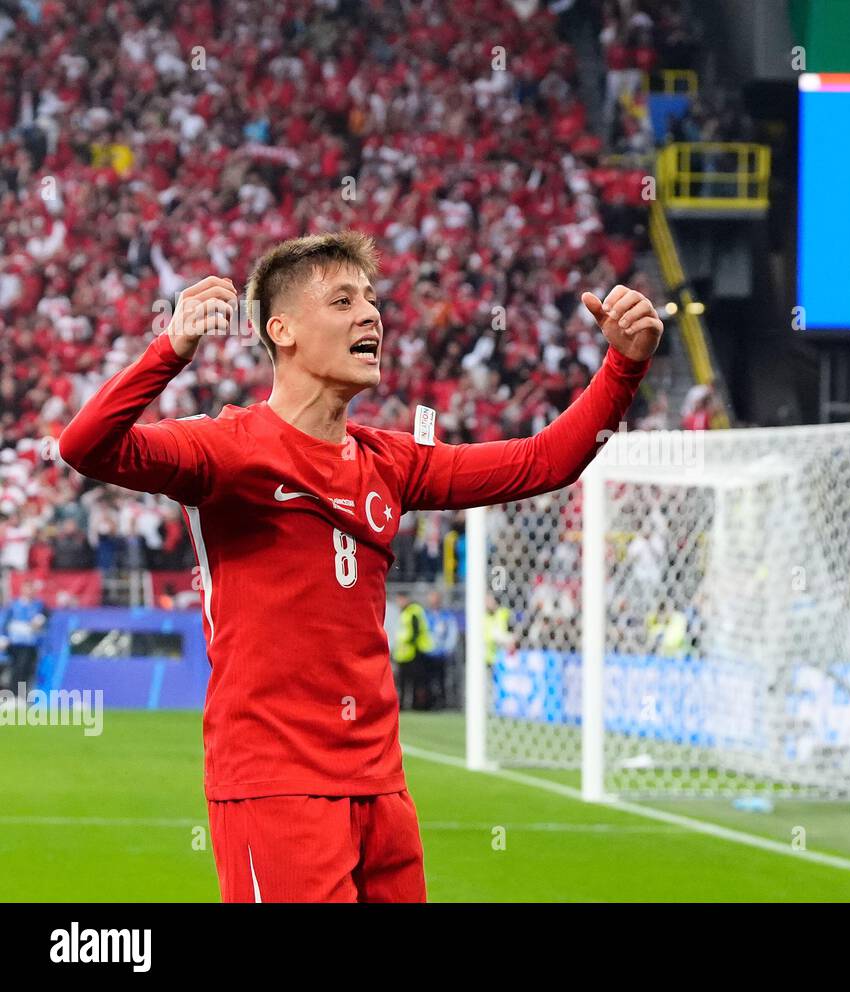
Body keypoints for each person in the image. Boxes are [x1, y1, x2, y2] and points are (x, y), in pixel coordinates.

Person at [57, 232, 662, 902]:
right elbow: (87, 445)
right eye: (343, 300)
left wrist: (623, 368)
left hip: (382, 789)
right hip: (275, 785)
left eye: (372, 300)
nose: (371, 315)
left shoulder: (391, 461)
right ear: (280, 329)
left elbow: (543, 461)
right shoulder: (226, 450)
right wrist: (168, 351)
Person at [0, 582, 47, 694]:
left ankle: (20, 695)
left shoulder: (39, 605)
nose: (28, 592)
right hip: (14, 643)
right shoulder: (14, 605)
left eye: (31, 589)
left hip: (29, 644)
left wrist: (41, 620)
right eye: (26, 589)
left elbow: (45, 618)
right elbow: (5, 621)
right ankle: (12, 694)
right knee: (15, 669)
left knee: (26, 670)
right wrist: (3, 637)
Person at [392, 590, 432, 711]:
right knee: (404, 682)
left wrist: (409, 643)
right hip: (404, 654)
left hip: (414, 652)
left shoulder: (413, 611)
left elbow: (416, 632)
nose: (399, 602)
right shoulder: (405, 612)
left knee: (416, 682)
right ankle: (404, 705)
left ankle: (418, 706)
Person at [425, 588, 459, 710]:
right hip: (427, 654)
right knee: (428, 681)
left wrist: (447, 649)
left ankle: (442, 703)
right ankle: (428, 703)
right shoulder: (425, 615)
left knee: (442, 680)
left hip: (441, 654)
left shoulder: (446, 616)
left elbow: (452, 634)